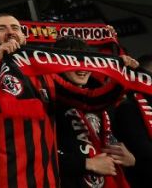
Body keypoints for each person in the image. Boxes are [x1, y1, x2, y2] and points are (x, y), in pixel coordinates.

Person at [0, 13, 124, 188]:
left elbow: (88, 101)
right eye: (1, 28)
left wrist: (121, 78)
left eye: (15, 28)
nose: (10, 32)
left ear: (24, 36)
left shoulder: (45, 74)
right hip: (7, 177)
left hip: (47, 178)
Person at [53, 36, 134, 188]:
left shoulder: (101, 98)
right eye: (74, 61)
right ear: (57, 63)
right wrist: (86, 164)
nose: (83, 68)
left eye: (87, 61)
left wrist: (129, 158)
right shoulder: (48, 98)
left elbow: (108, 136)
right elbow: (39, 153)